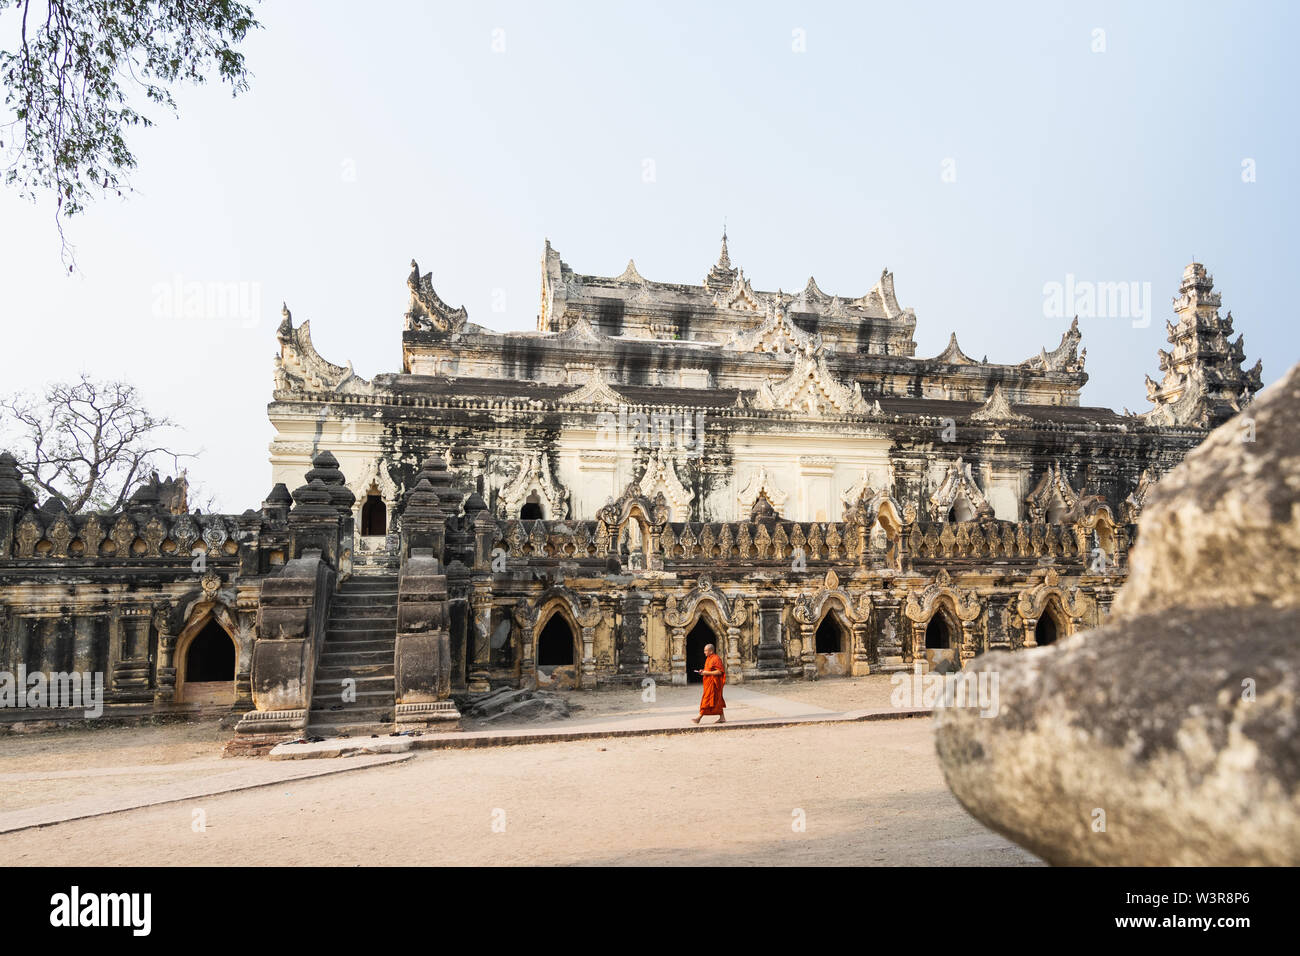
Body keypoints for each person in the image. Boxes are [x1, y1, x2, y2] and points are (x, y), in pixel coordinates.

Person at [691, 643, 726, 724]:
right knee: (717, 700)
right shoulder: (708, 658)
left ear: (711, 651)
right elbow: (709, 670)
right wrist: (703, 671)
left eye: (705, 650)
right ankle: (722, 718)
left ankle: (698, 718)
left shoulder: (716, 659)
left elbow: (720, 672)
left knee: (707, 700)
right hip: (709, 683)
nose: (704, 652)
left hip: (714, 684)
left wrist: (706, 673)